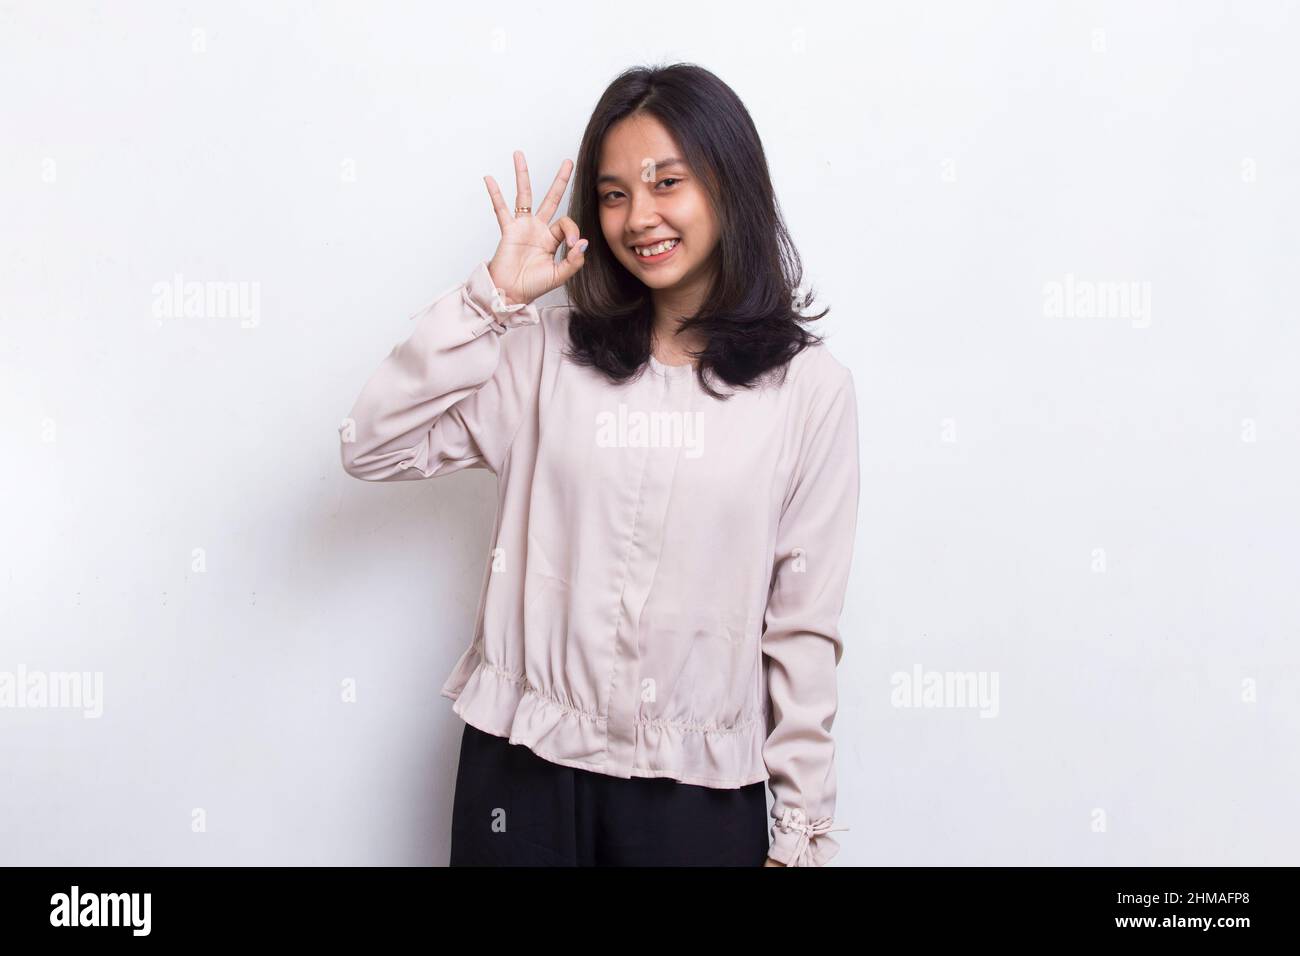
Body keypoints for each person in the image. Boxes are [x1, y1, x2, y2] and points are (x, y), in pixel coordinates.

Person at [339, 62, 860, 867]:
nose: (638, 216)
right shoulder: (542, 354)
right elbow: (372, 444)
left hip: (696, 797)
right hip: (522, 776)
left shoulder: (809, 390)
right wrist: (491, 299)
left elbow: (801, 627)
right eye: (614, 193)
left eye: (666, 182)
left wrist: (800, 836)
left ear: (731, 185)